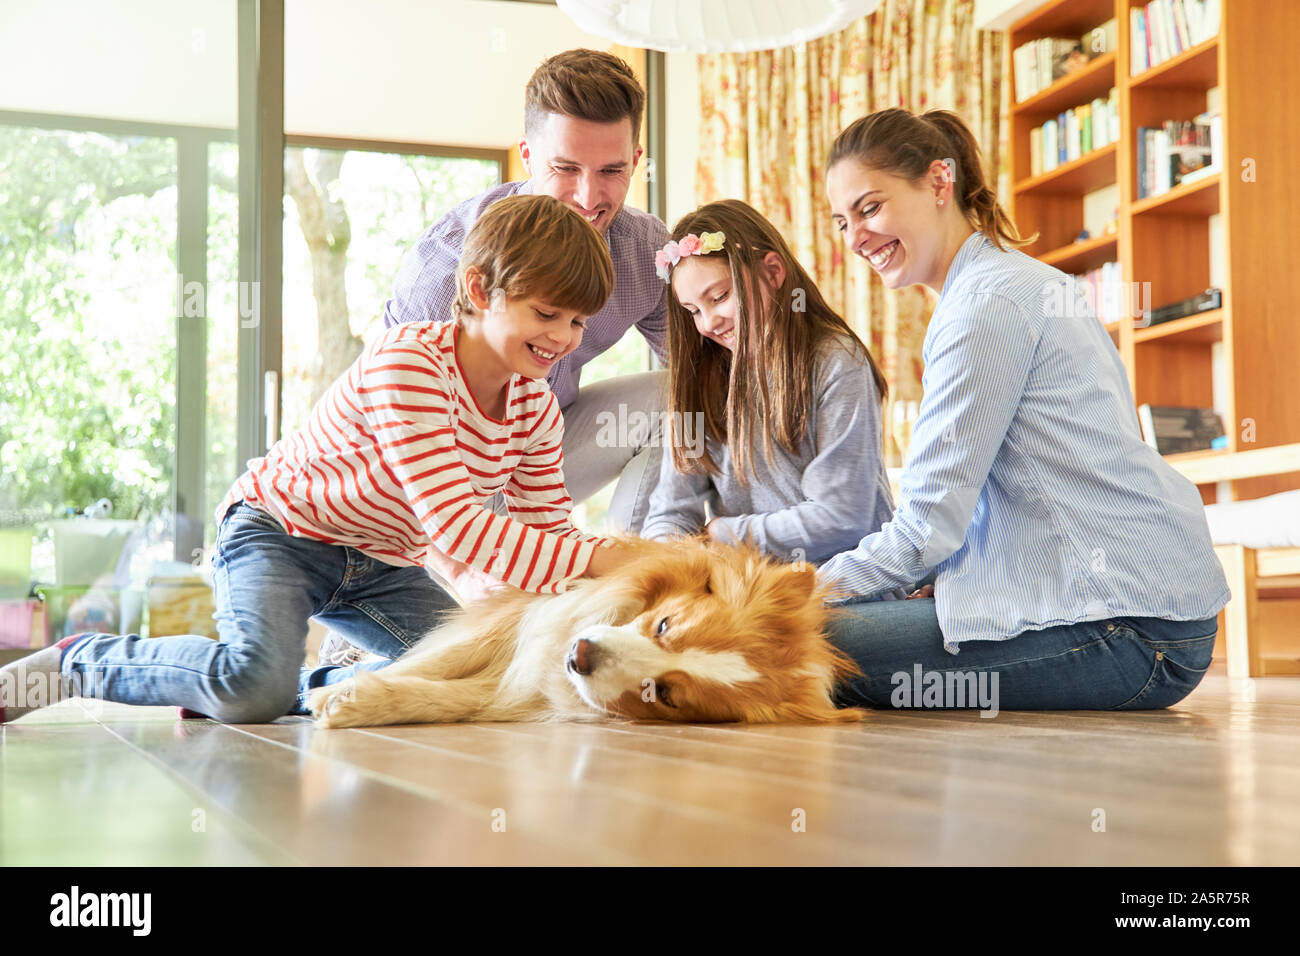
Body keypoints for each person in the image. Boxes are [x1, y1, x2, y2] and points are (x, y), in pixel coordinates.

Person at [0, 195, 634, 725]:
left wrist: (602, 590)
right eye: (546, 313)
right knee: (253, 687)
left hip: (380, 564)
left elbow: (547, 534)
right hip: (280, 532)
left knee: (484, 674)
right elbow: (458, 526)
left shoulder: (535, 410)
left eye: (578, 323)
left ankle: (260, 683)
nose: (563, 338)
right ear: (478, 288)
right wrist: (611, 557)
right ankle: (78, 660)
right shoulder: (409, 363)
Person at [819, 107, 1229, 711]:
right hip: (1155, 614)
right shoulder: (1014, 283)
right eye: (841, 222)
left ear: (939, 182)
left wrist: (797, 588)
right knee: (824, 627)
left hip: (1129, 631)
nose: (854, 238)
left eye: (869, 208)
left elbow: (927, 527)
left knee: (795, 638)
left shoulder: (984, 306)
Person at [385, 48, 669, 533]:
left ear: (636, 162)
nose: (587, 197)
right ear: (528, 155)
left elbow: (707, 372)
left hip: (548, 449)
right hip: (442, 483)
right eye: (565, 168)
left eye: (611, 171)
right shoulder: (450, 262)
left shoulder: (646, 250)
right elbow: (392, 422)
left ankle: (639, 572)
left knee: (682, 395)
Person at [640, 199, 899, 576]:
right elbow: (671, 512)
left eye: (719, 298)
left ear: (773, 271)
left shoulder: (839, 363)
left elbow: (841, 518)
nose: (708, 322)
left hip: (843, 589)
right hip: (747, 589)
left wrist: (724, 534)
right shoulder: (699, 383)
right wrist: (666, 569)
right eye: (693, 310)